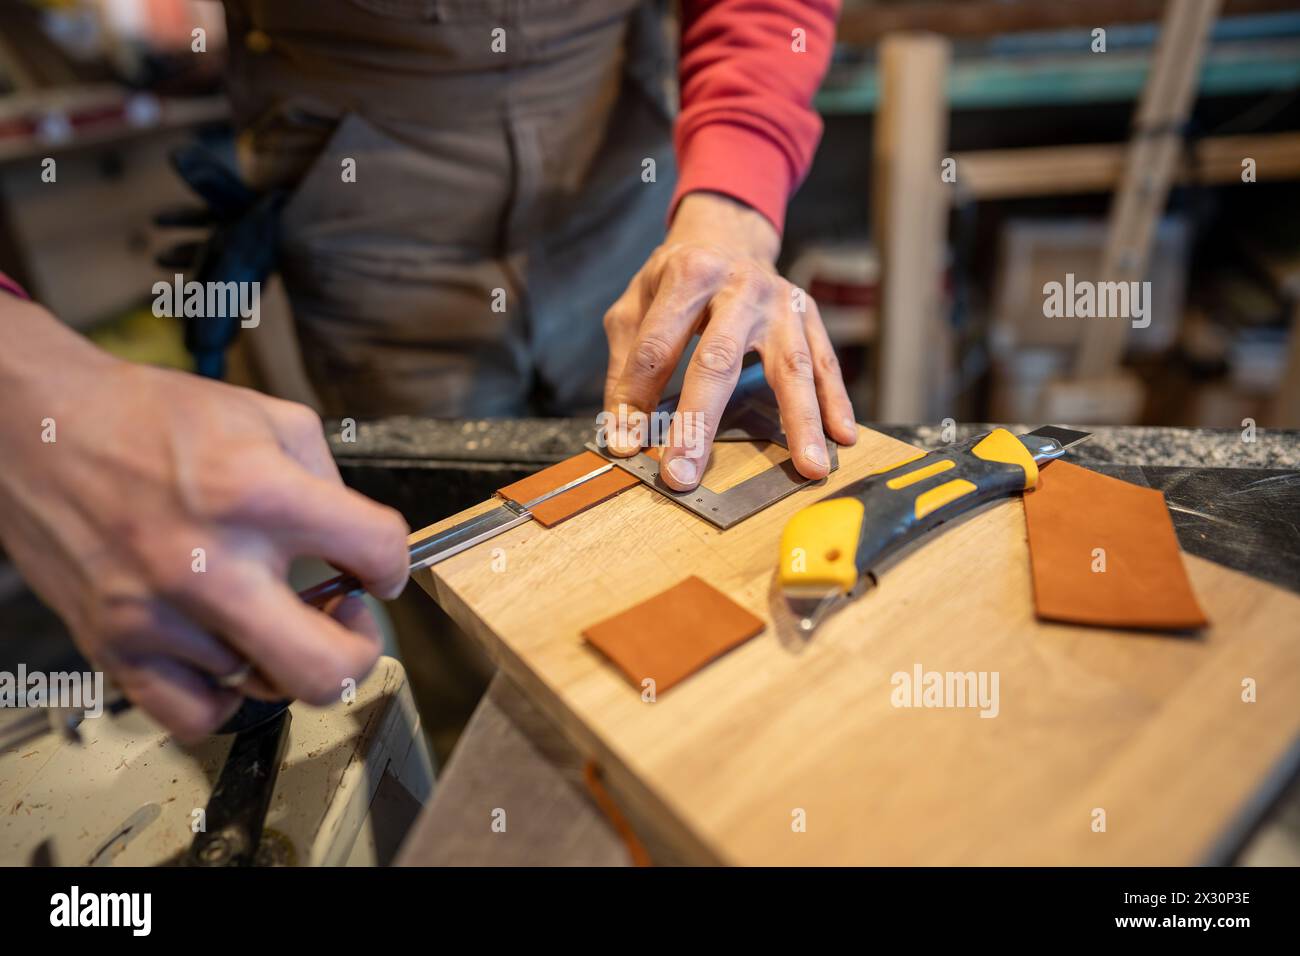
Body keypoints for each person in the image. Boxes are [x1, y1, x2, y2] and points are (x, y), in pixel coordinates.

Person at [0, 0, 855, 740]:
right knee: (465, 614)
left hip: (634, 212)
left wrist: (733, 204)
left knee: (678, 540)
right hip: (371, 226)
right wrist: (26, 389)